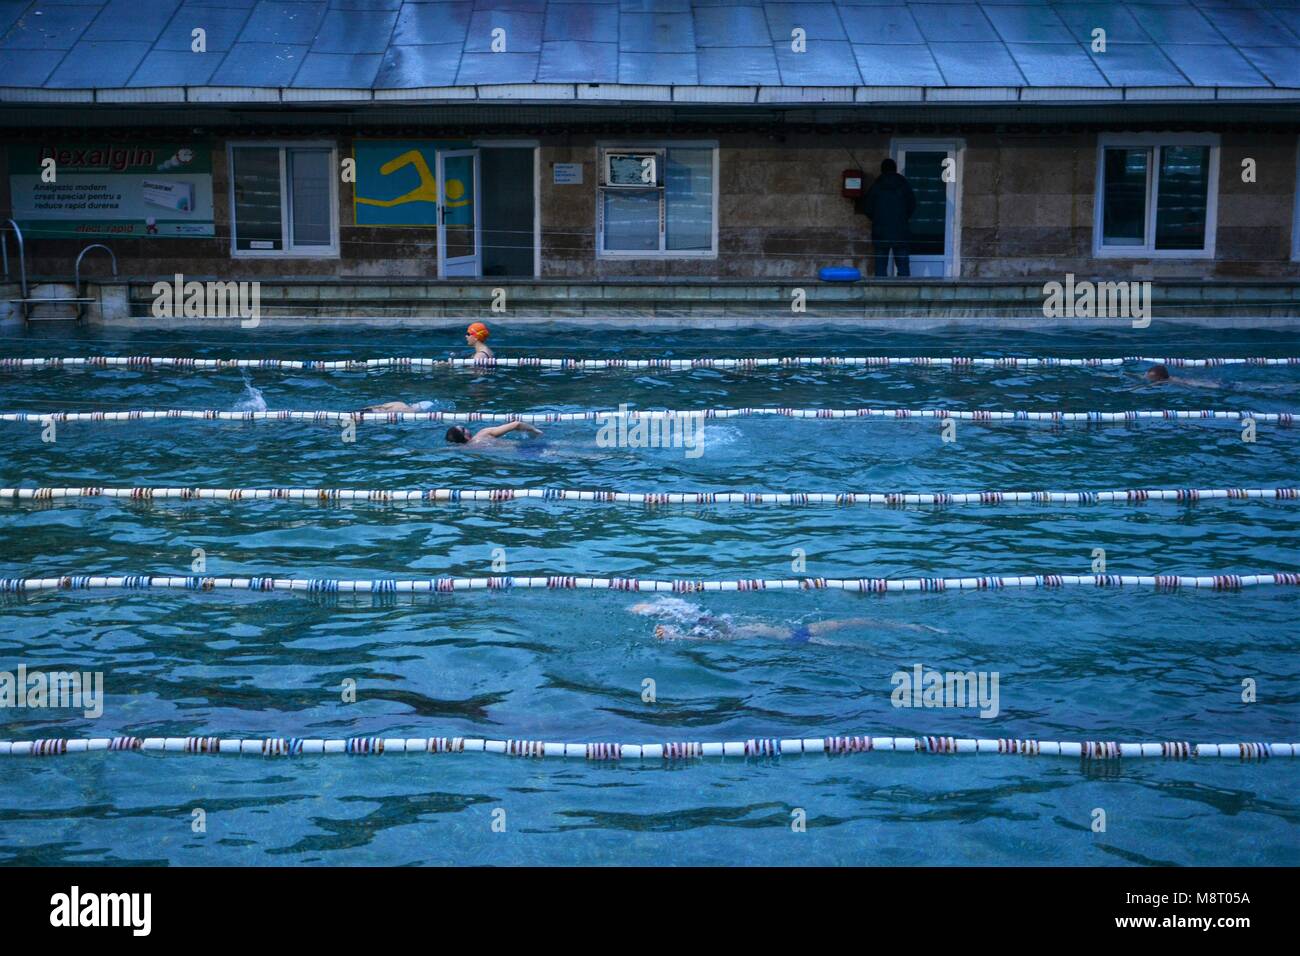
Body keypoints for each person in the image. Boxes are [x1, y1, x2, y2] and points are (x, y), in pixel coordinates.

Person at [627, 601, 943, 645]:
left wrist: (654, 608)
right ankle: (900, 648)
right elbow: (694, 636)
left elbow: (682, 610)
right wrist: (673, 636)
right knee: (856, 647)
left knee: (857, 621)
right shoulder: (727, 635)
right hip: (799, 638)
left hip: (799, 631)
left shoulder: (725, 627)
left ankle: (911, 629)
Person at [858, 158, 916, 278]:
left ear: (882, 170)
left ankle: (881, 294)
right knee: (903, 267)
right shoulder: (904, 185)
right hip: (901, 232)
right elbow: (912, 205)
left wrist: (877, 219)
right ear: (895, 169)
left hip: (880, 232)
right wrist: (903, 219)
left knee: (880, 268)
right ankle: (905, 294)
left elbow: (867, 208)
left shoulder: (876, 186)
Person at [445, 420, 542, 445]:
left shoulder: (463, 448)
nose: (465, 427)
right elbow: (516, 424)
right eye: (463, 428)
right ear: (466, 436)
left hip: (521, 455)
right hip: (523, 447)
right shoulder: (483, 433)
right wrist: (535, 430)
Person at [1144, 363, 1221, 389]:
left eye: (1152, 377)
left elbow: (1150, 384)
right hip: (1186, 381)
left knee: (1214, 386)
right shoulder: (1158, 378)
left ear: (1159, 378)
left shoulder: (1165, 380)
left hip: (1190, 383)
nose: (1149, 378)